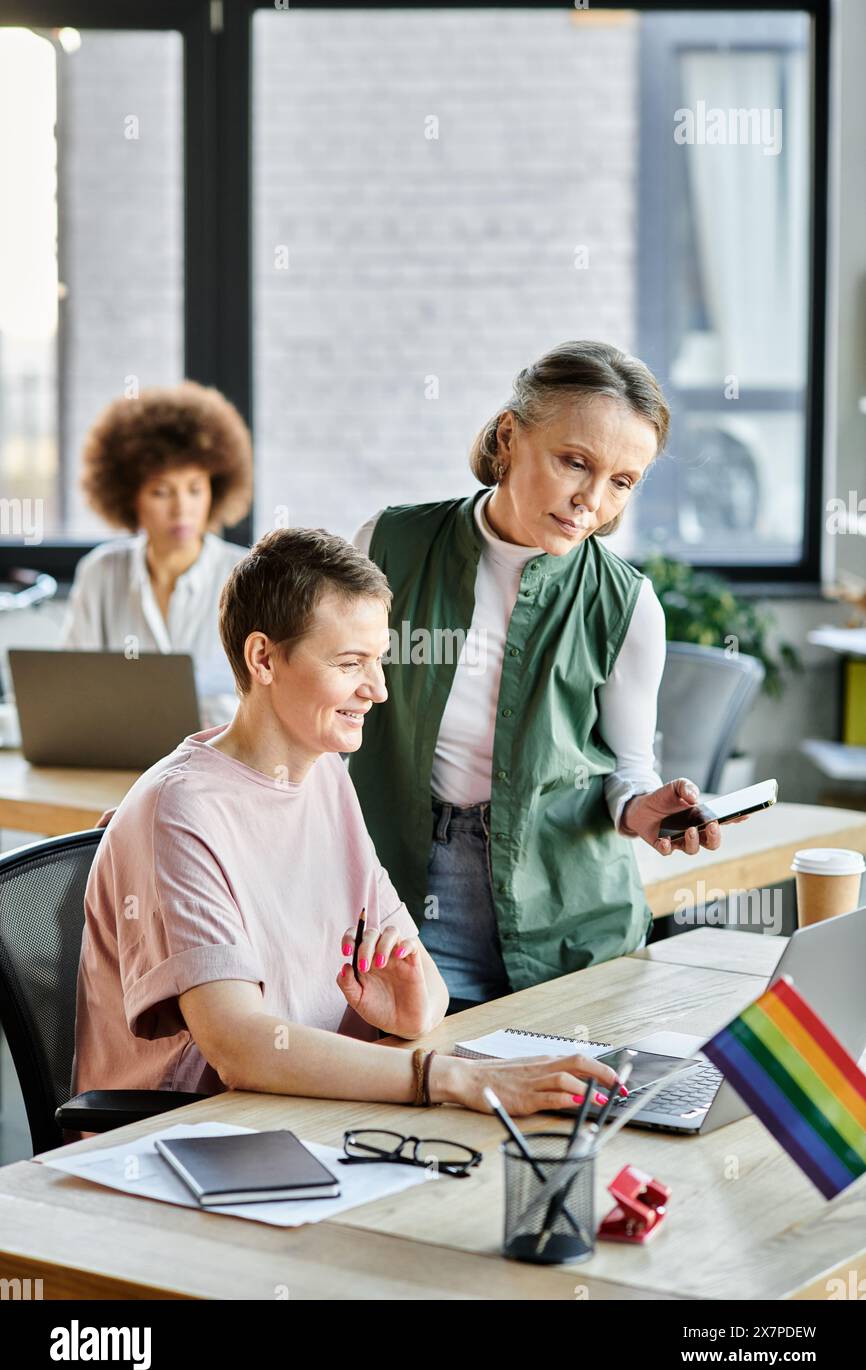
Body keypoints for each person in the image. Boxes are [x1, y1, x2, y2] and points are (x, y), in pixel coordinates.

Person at [70, 528, 620, 1117]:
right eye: (350, 663)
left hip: (312, 1108)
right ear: (263, 658)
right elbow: (239, 1046)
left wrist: (412, 1010)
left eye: (378, 660)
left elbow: (424, 985)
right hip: (187, 1137)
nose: (378, 689)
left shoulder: (326, 773)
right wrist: (455, 1079)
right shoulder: (179, 810)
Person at [348, 340, 744, 1008]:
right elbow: (326, 717)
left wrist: (645, 809)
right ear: (509, 437)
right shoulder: (386, 548)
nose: (592, 499)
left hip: (573, 919)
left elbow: (627, 770)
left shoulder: (628, 605)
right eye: (574, 462)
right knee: (422, 1100)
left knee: (575, 1109)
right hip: (407, 909)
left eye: (622, 481)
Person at [61, 381, 252, 723]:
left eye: (195, 489)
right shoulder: (101, 573)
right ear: (129, 496)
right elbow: (72, 689)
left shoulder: (248, 575)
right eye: (161, 492)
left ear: (216, 490)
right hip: (116, 760)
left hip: (220, 765)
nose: (182, 509)